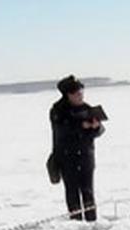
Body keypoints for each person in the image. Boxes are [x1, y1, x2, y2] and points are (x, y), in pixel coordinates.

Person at [49, 75, 105, 221]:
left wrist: (95, 127)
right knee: (72, 192)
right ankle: (76, 222)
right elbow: (62, 129)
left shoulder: (87, 108)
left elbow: (100, 130)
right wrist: (81, 126)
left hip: (86, 157)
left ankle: (92, 221)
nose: (80, 96)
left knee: (88, 191)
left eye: (82, 93)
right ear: (68, 95)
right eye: (77, 94)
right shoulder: (58, 110)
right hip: (67, 158)